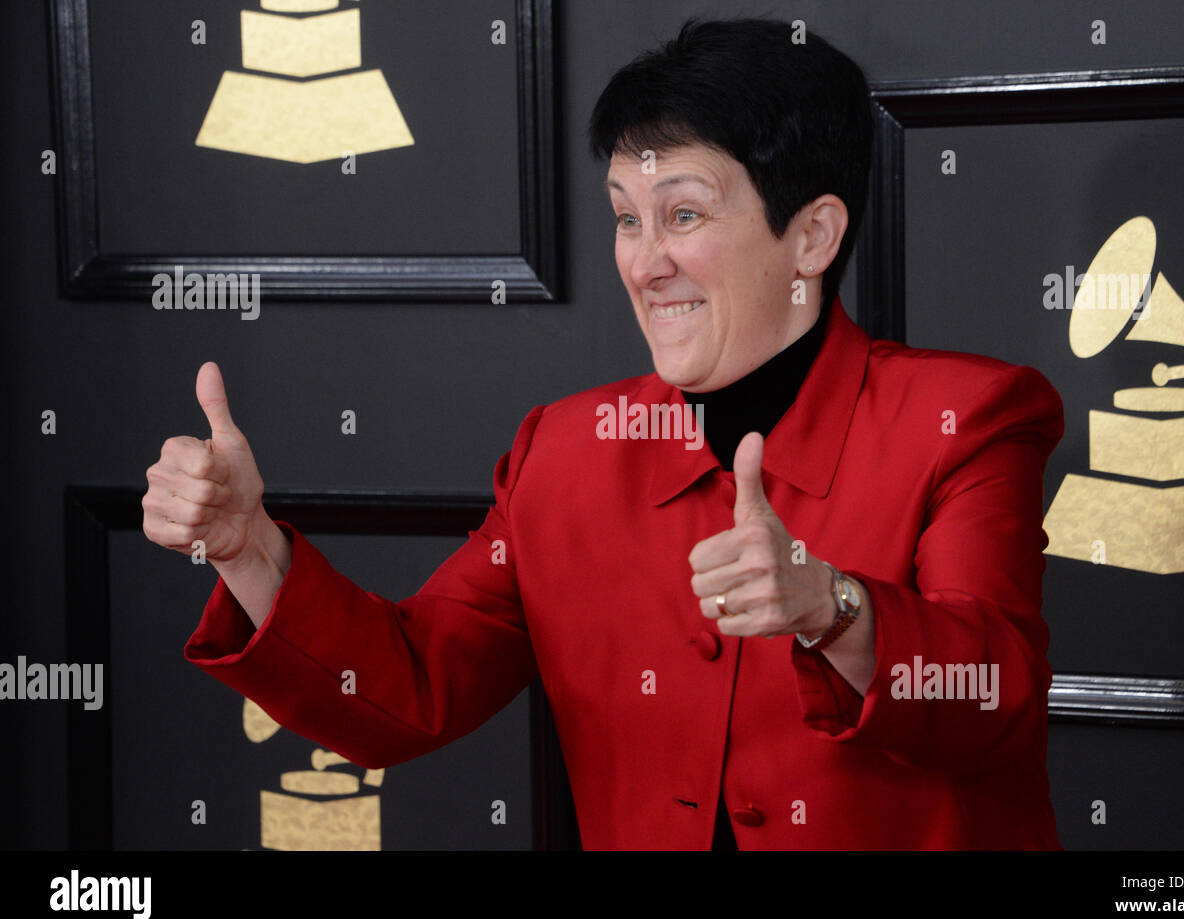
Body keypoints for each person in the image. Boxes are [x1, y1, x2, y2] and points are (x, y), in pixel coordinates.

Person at [144, 17, 1065, 850]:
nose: (645, 261)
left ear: (814, 235)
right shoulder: (565, 451)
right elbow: (409, 688)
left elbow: (994, 697)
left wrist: (832, 606)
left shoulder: (967, 420)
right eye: (628, 217)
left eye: (685, 216)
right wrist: (248, 550)